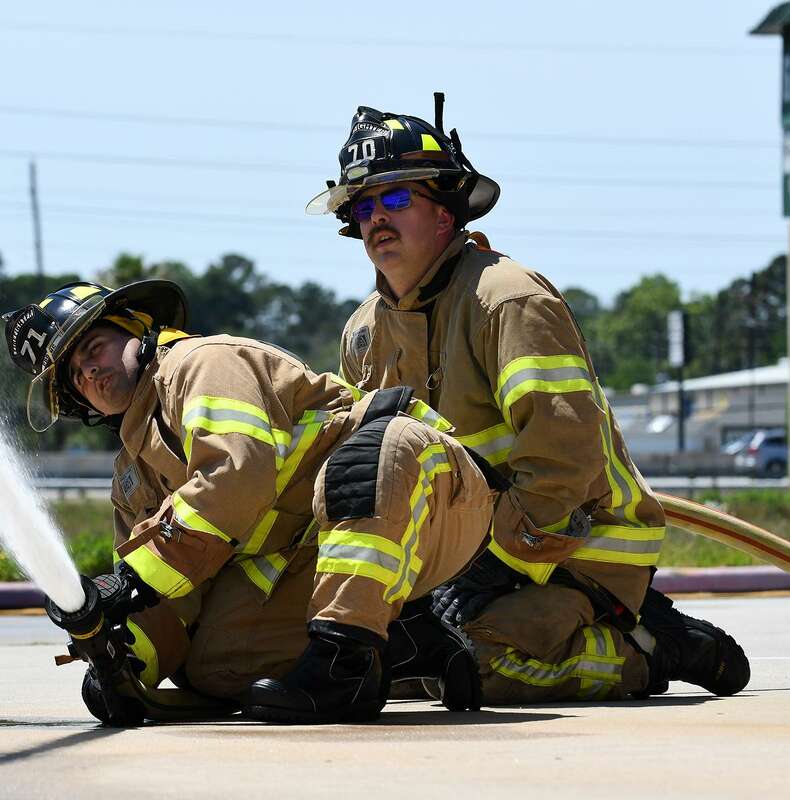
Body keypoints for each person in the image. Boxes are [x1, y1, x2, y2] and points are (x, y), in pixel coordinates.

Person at [307, 93, 749, 703]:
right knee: (389, 665)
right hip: (465, 555)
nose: (376, 217)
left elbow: (566, 460)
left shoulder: (508, 299)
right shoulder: (364, 330)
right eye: (363, 206)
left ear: (446, 211)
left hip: (575, 545)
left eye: (397, 197)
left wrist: (494, 565)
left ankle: (653, 647)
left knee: (470, 667)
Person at [4, 279, 493, 724]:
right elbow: (169, 597)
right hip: (322, 548)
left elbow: (236, 474)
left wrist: (129, 581)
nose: (89, 369)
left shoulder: (200, 364)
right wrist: (124, 660)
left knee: (362, 467)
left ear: (138, 329)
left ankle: (344, 670)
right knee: (213, 665)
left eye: (94, 346)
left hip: (431, 493)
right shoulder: (134, 477)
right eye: (74, 375)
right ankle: (404, 642)